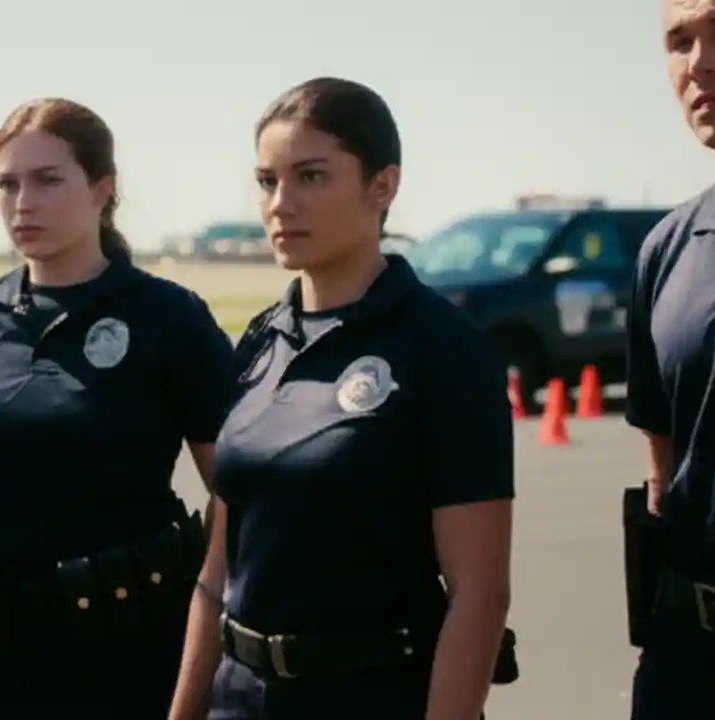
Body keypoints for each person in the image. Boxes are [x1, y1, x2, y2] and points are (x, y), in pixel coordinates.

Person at [168, 77, 514, 720]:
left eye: (311, 177)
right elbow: (216, 574)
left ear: (382, 185)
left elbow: (480, 593)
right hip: (238, 701)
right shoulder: (259, 342)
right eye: (267, 181)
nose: (280, 204)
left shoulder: (442, 348)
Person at [0, 97, 234, 718]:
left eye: (47, 180)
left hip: (128, 651)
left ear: (103, 190)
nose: (22, 202)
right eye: (7, 184)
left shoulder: (168, 317)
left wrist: (206, 603)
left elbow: (233, 486)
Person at [626, 2, 715, 717]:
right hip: (691, 662)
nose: (699, 63)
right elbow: (663, 473)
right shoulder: (666, 251)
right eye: (680, 42)